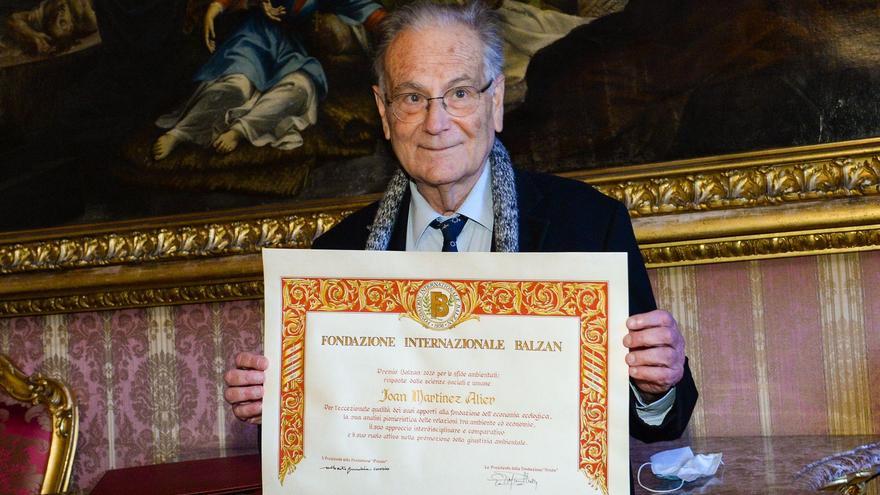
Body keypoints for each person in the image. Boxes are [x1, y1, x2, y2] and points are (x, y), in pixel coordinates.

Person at [225, 0, 697, 443]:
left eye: (460, 92)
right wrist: (280, 402)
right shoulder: (335, 257)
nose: (436, 122)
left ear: (495, 103)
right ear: (384, 113)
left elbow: (658, 424)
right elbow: (335, 435)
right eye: (412, 97)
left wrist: (656, 385)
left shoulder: (589, 227)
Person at [152, 0, 386, 160]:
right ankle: (180, 133)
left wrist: (389, 27)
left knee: (300, 89)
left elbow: (362, 8)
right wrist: (215, 8)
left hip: (290, 50)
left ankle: (241, 130)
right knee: (236, 88)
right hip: (253, 41)